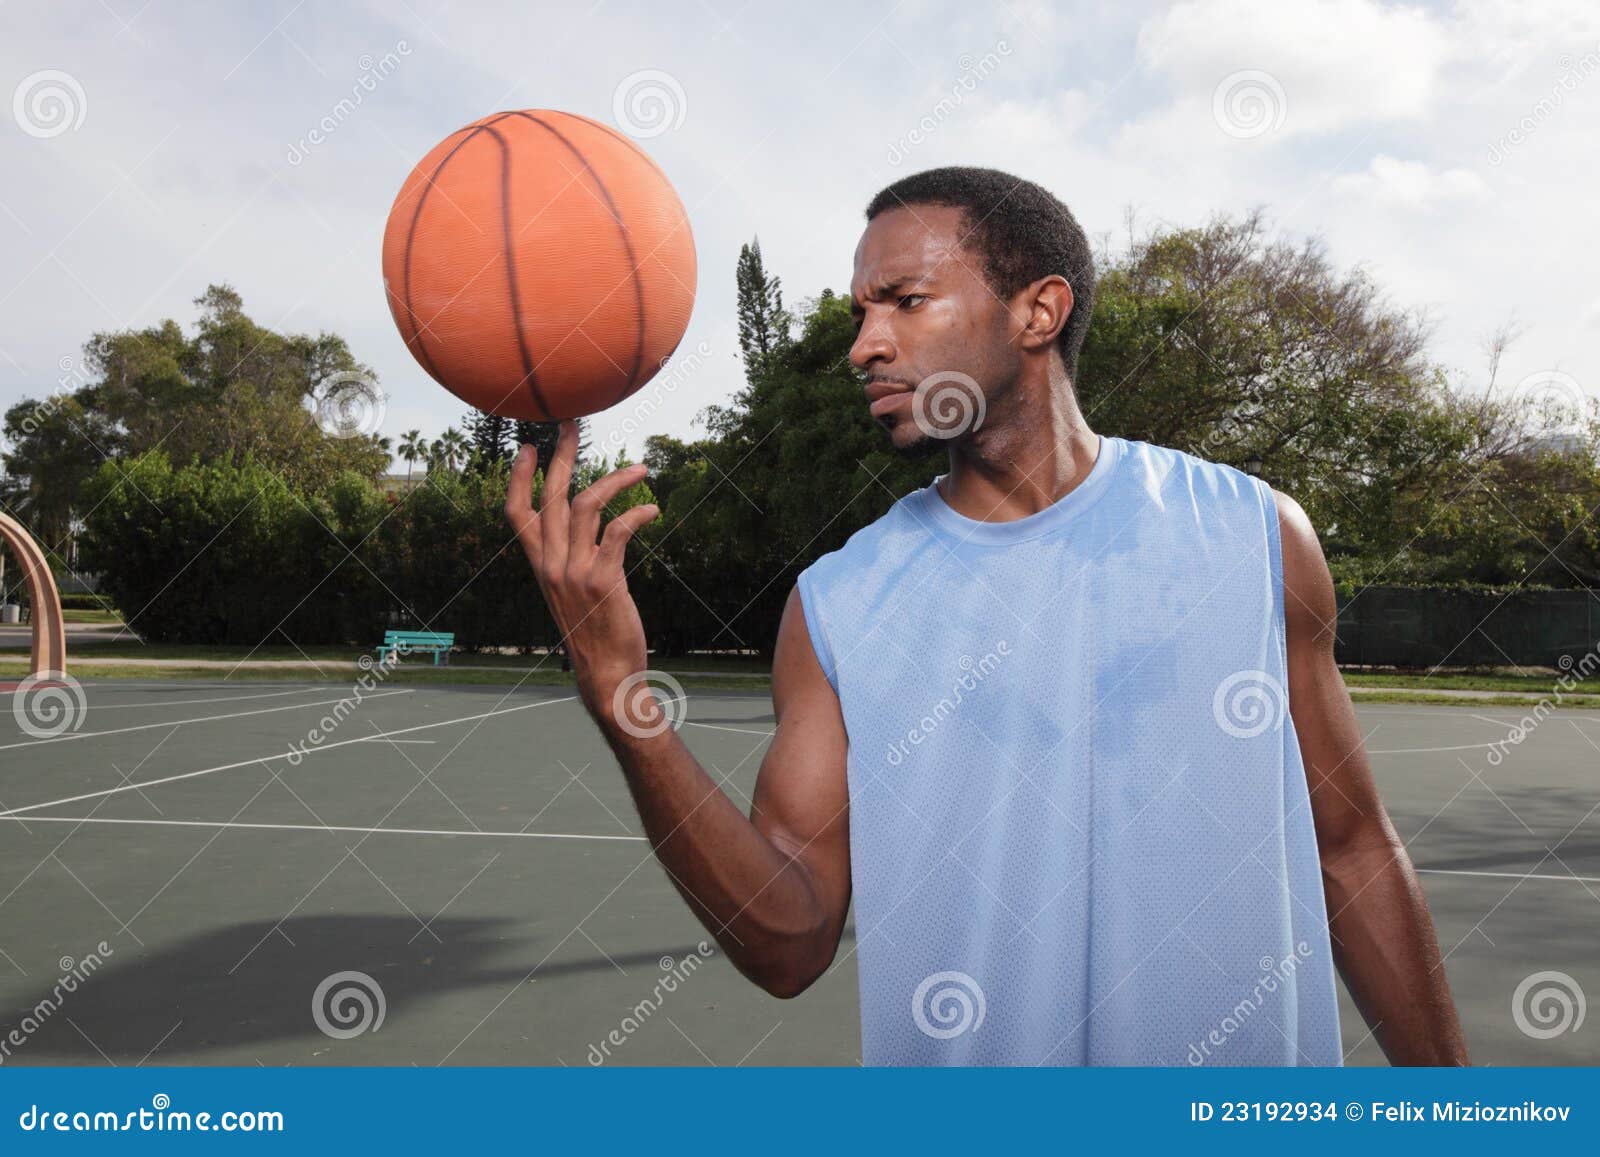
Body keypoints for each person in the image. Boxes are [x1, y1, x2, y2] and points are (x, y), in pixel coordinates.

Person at [504, 166, 1469, 1067]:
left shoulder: (1254, 534)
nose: (863, 345)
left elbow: (1352, 851)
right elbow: (787, 939)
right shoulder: (839, 604)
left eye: (906, 301)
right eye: (860, 312)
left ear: (1038, 310)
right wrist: (622, 695)